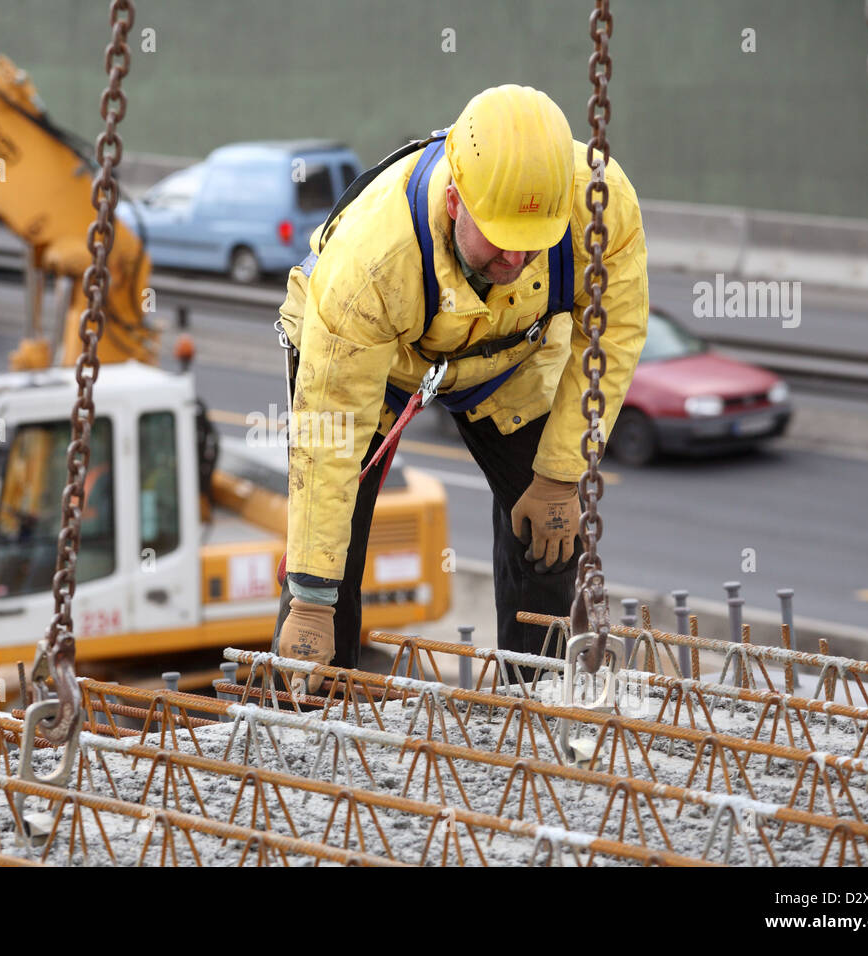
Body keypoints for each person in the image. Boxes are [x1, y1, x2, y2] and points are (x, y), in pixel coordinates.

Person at [271, 84, 649, 693]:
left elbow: (612, 338)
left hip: (507, 354)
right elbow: (330, 441)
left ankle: (536, 706)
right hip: (374, 360)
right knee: (327, 579)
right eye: (498, 235)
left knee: (552, 539)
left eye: (534, 239)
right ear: (454, 201)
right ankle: (311, 724)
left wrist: (559, 474)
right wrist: (312, 599)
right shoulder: (370, 266)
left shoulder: (599, 208)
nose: (516, 256)